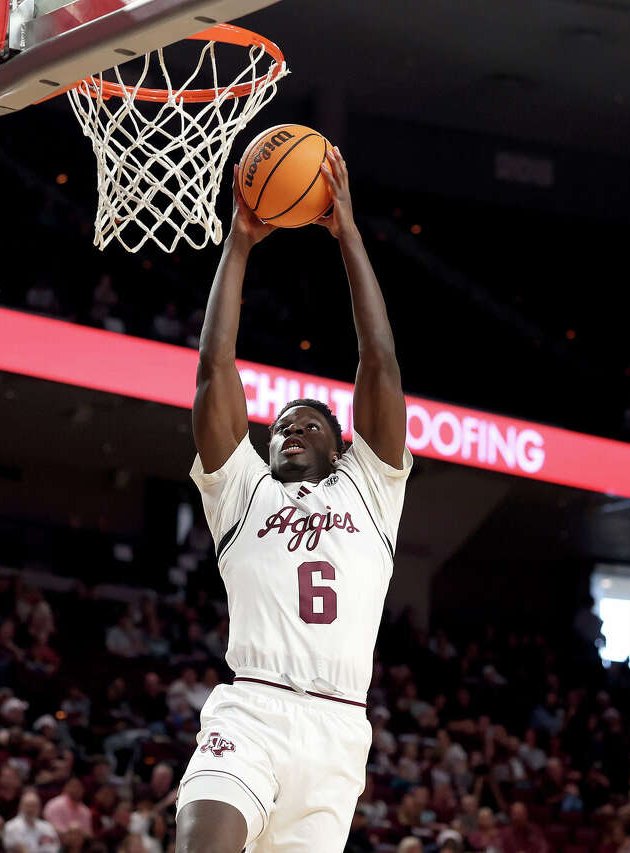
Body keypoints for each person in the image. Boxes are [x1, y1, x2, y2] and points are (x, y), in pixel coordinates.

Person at [175, 147, 410, 853]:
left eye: (310, 423)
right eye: (280, 426)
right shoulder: (240, 491)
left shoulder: (372, 487)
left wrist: (350, 237)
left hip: (337, 735)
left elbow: (380, 360)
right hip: (251, 709)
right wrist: (238, 244)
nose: (291, 429)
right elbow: (215, 366)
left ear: (341, 446)